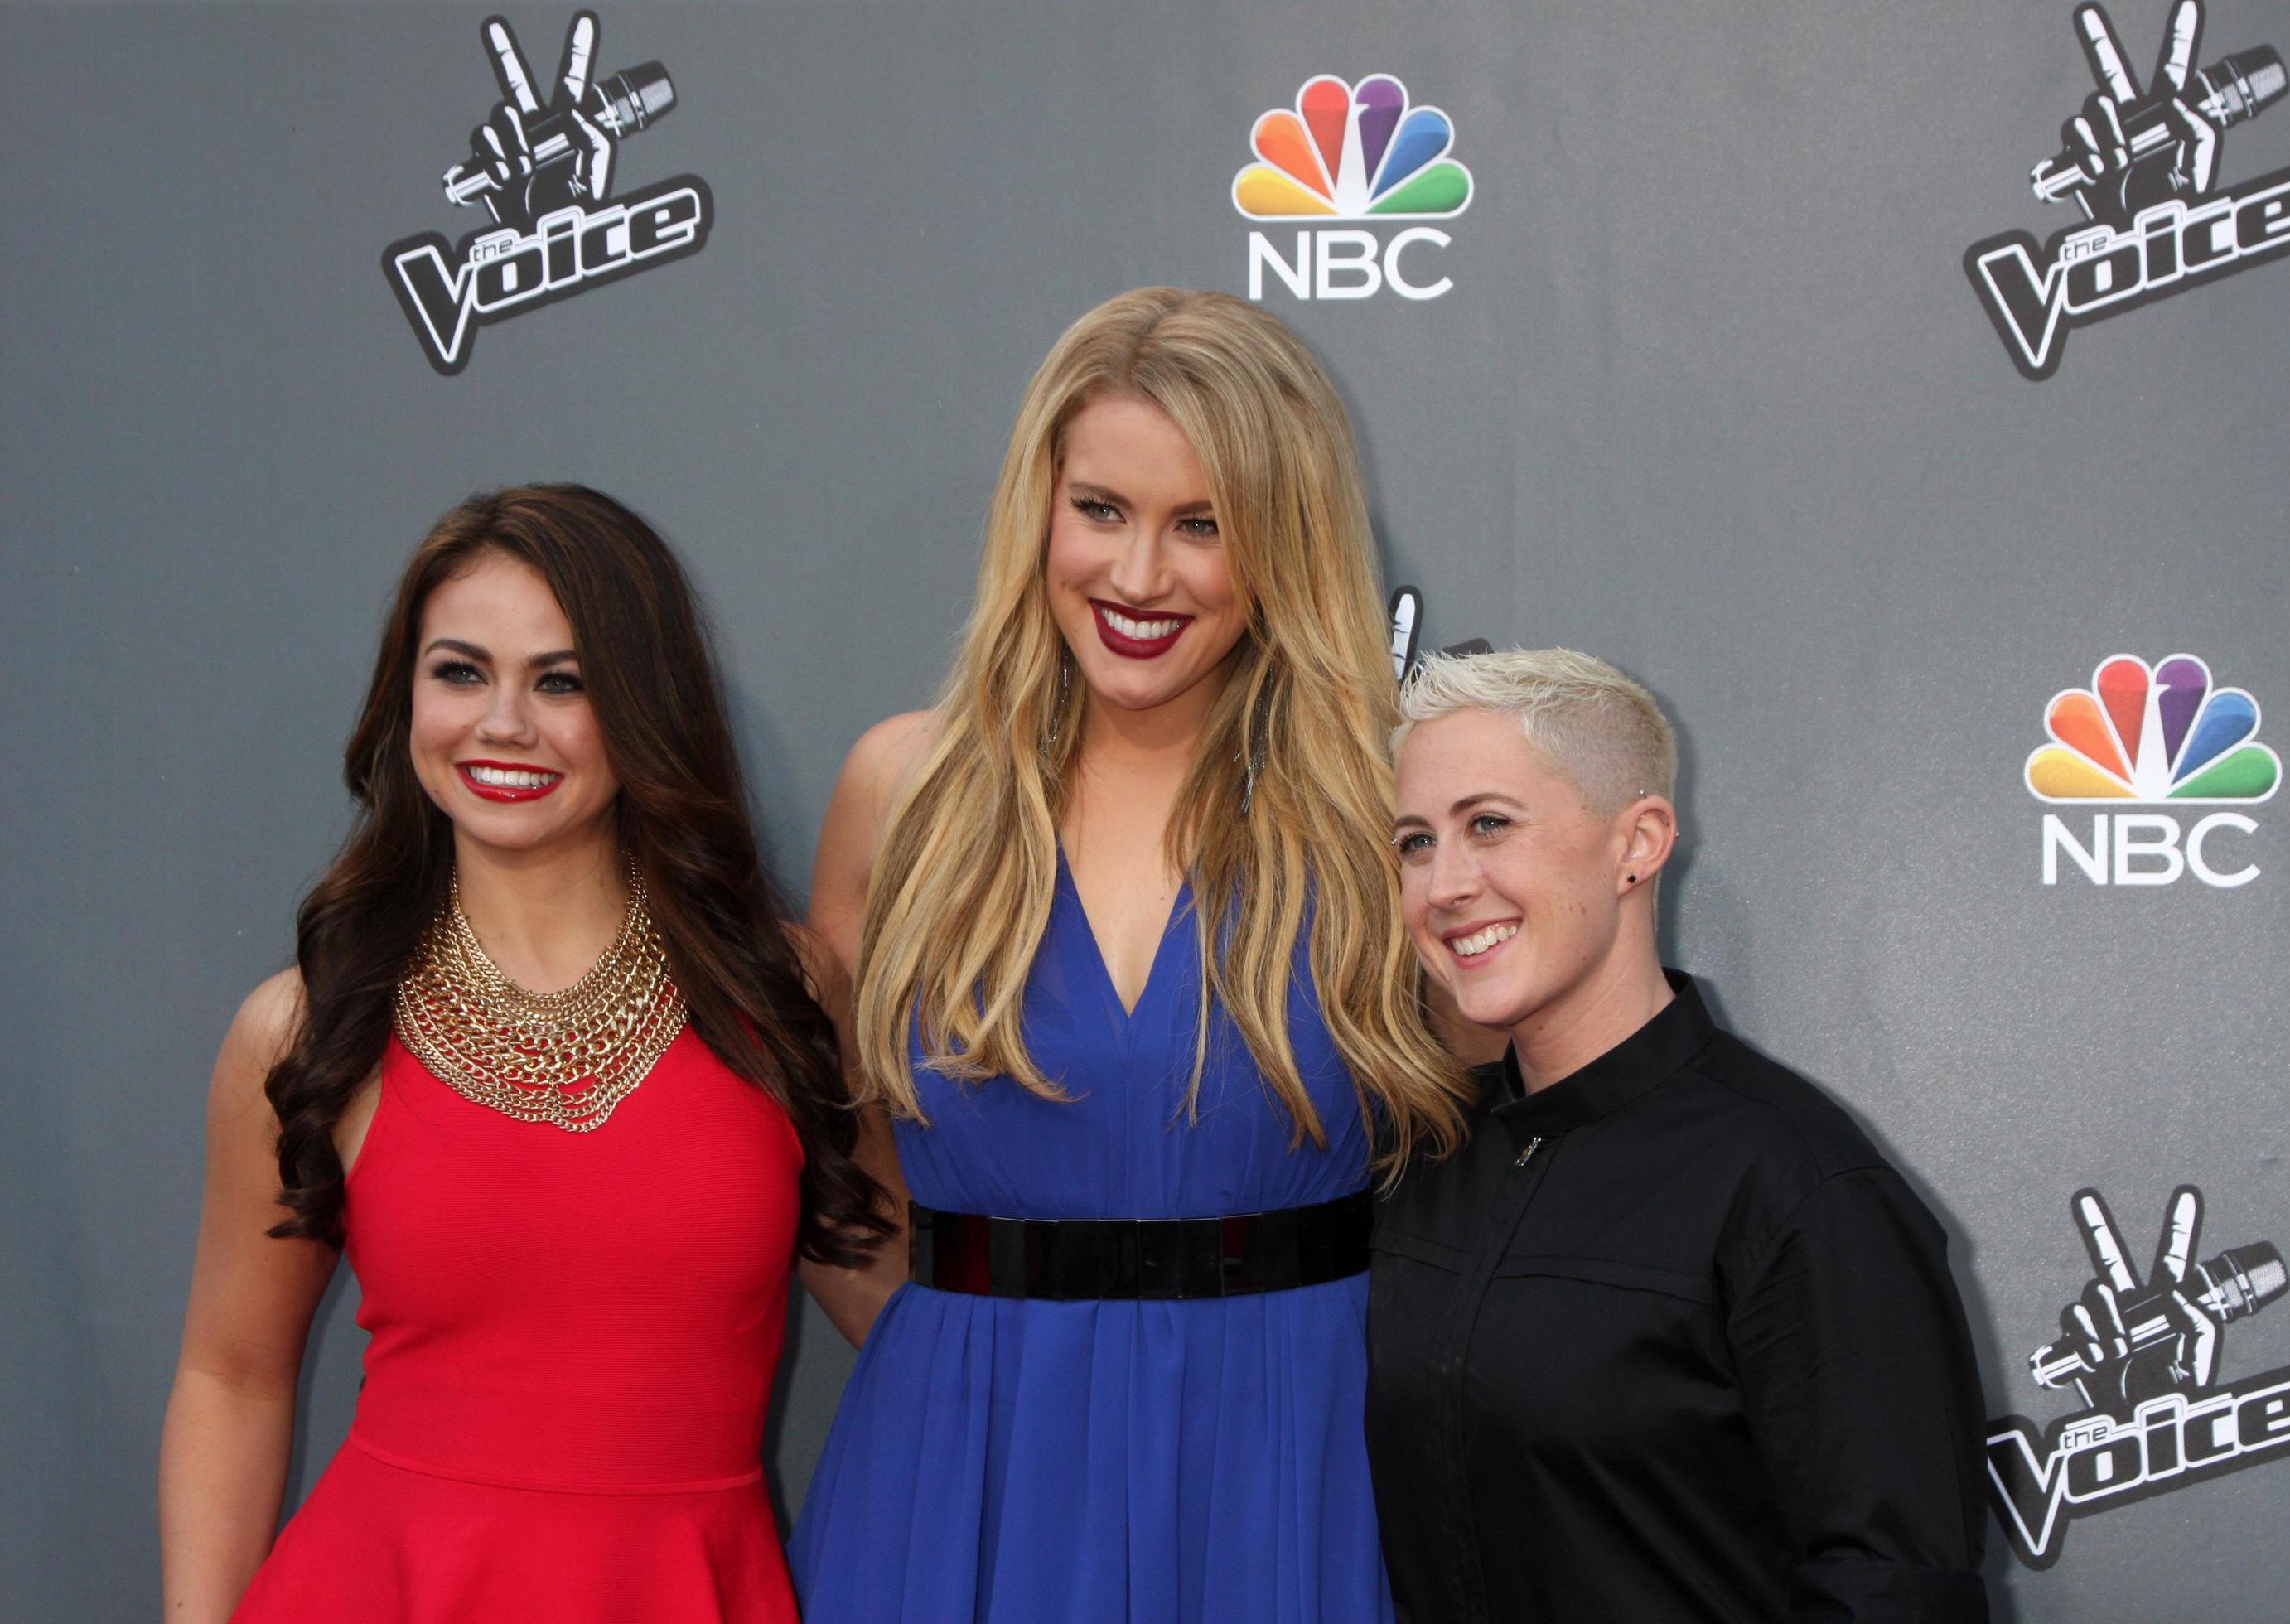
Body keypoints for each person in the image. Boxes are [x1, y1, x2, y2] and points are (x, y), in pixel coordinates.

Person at [785, 287, 1470, 1622]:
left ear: (1283, 543)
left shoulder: (1382, 806)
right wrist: (991, 1363)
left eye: (1202, 525)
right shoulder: (906, 789)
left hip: (1291, 1461)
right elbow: (841, 1168)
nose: (1140, 577)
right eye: (1101, 509)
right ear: (1036, 510)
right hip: (961, 1467)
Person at [158, 486, 887, 1624]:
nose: (504, 723)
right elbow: (231, 1376)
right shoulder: (311, 1028)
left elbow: (897, 1300)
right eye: (461, 672)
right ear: (407, 696)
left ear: (643, 707)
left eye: (563, 680)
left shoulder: (779, 995)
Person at [1370, 648, 1989, 1623]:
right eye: (1415, 841)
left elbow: (1894, 1588)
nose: (1445, 884)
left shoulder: (1796, 1186)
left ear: (1640, 842)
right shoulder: (1424, 1159)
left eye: (1489, 824)